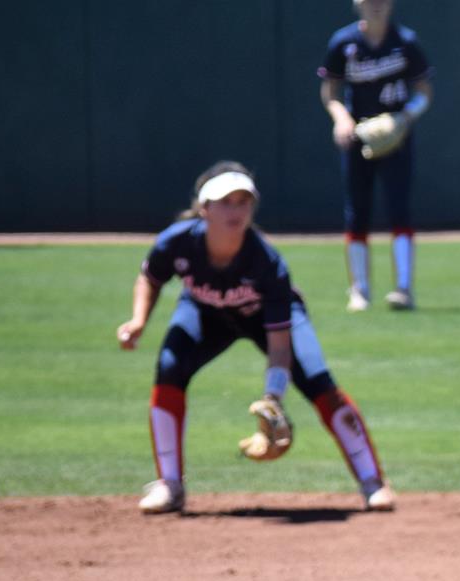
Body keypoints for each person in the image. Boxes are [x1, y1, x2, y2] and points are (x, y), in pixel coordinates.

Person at [116, 162, 395, 515]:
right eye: (226, 202)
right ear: (204, 208)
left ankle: (373, 482)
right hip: (205, 313)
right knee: (169, 368)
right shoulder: (177, 242)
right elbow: (151, 278)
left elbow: (279, 345)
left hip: (267, 319)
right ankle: (169, 485)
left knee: (319, 381)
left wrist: (272, 398)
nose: (236, 210)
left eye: (243, 201)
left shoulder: (267, 262)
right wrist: (139, 320)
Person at [319, 0, 433, 311]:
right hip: (358, 136)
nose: (377, 6)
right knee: (357, 212)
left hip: (396, 137)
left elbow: (424, 92)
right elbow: (330, 92)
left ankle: (404, 289)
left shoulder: (405, 41)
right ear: (358, 4)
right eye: (370, 1)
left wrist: (404, 118)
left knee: (399, 210)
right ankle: (359, 290)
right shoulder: (344, 42)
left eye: (382, 0)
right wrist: (341, 119)